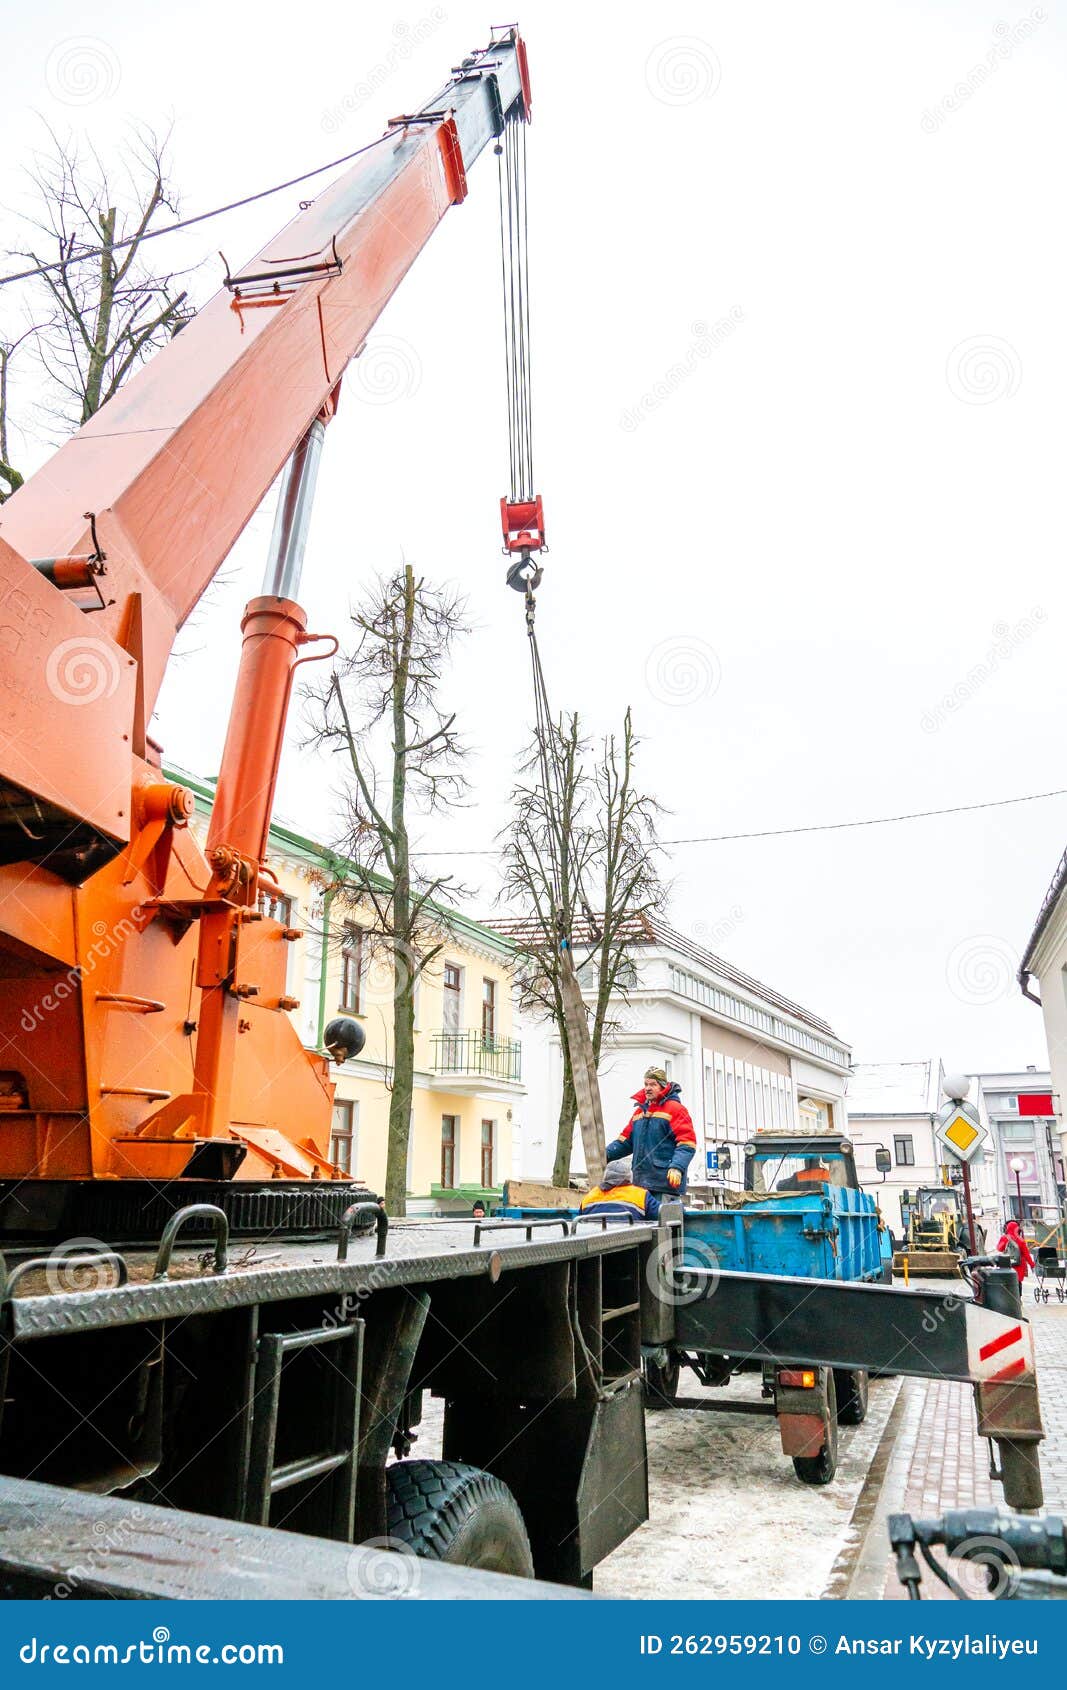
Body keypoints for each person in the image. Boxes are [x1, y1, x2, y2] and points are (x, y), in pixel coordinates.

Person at [604, 1066, 696, 1197]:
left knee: (664, 1217)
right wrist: (605, 1154)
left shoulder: (676, 1110)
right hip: (640, 1184)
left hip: (664, 1186)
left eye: (653, 1084)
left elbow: (687, 1144)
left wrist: (677, 1167)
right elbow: (625, 1142)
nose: (647, 1088)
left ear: (663, 1087)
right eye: (646, 1084)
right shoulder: (640, 1112)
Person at [580, 1160, 660, 1221]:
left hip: (595, 1241)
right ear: (630, 1176)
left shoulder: (589, 1197)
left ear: (605, 1176)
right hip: (631, 1241)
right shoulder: (641, 1195)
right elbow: (661, 1214)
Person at [996, 1218, 1036, 1286]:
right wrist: (1032, 1265)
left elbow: (999, 1249)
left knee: (1009, 1283)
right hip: (1020, 1265)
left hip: (1007, 1264)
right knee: (1018, 1282)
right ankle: (1019, 1295)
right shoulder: (1021, 1240)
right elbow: (1027, 1255)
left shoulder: (1004, 1238)